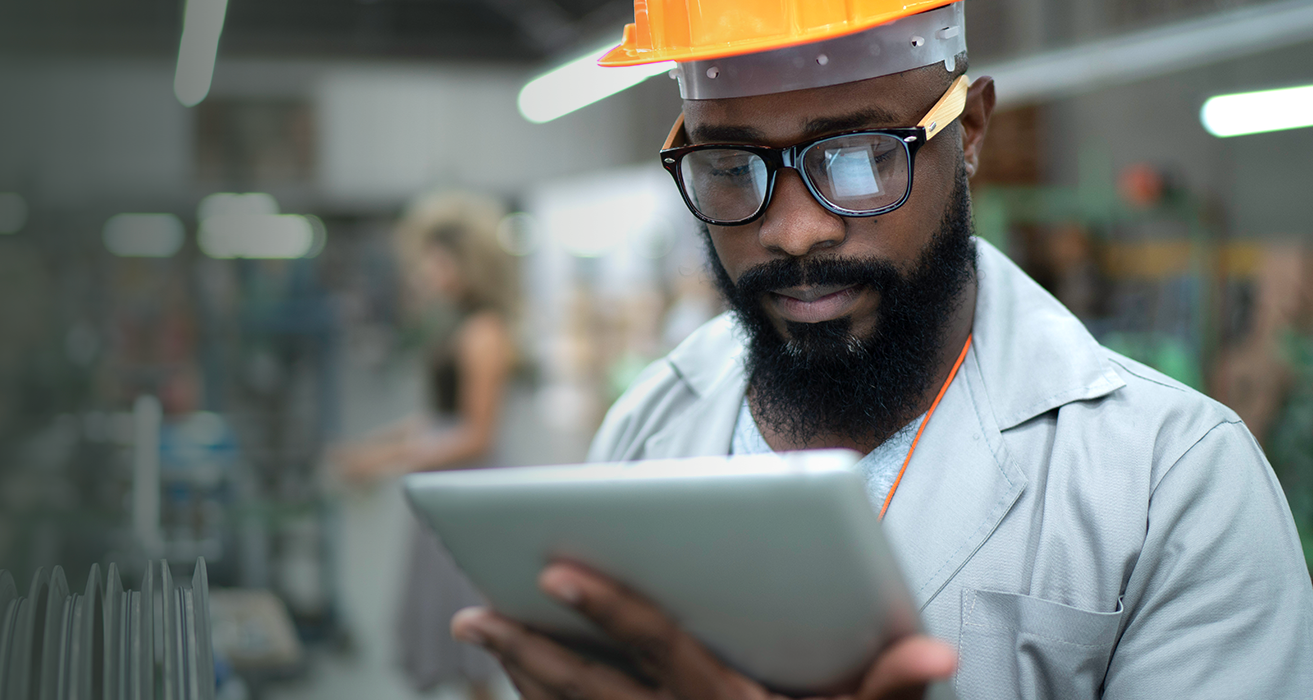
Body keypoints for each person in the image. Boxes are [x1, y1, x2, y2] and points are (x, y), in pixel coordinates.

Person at [449, 1, 1313, 698]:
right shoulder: (651, 424)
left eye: (859, 156)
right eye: (728, 165)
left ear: (968, 132)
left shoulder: (1176, 484)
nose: (792, 231)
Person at [335, 190, 518, 700]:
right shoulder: (454, 325)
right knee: (453, 628)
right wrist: (373, 448)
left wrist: (386, 461)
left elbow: (476, 433)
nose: (428, 271)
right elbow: (437, 417)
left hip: (470, 491)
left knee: (473, 638)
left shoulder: (483, 332)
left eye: (439, 260)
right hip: (446, 487)